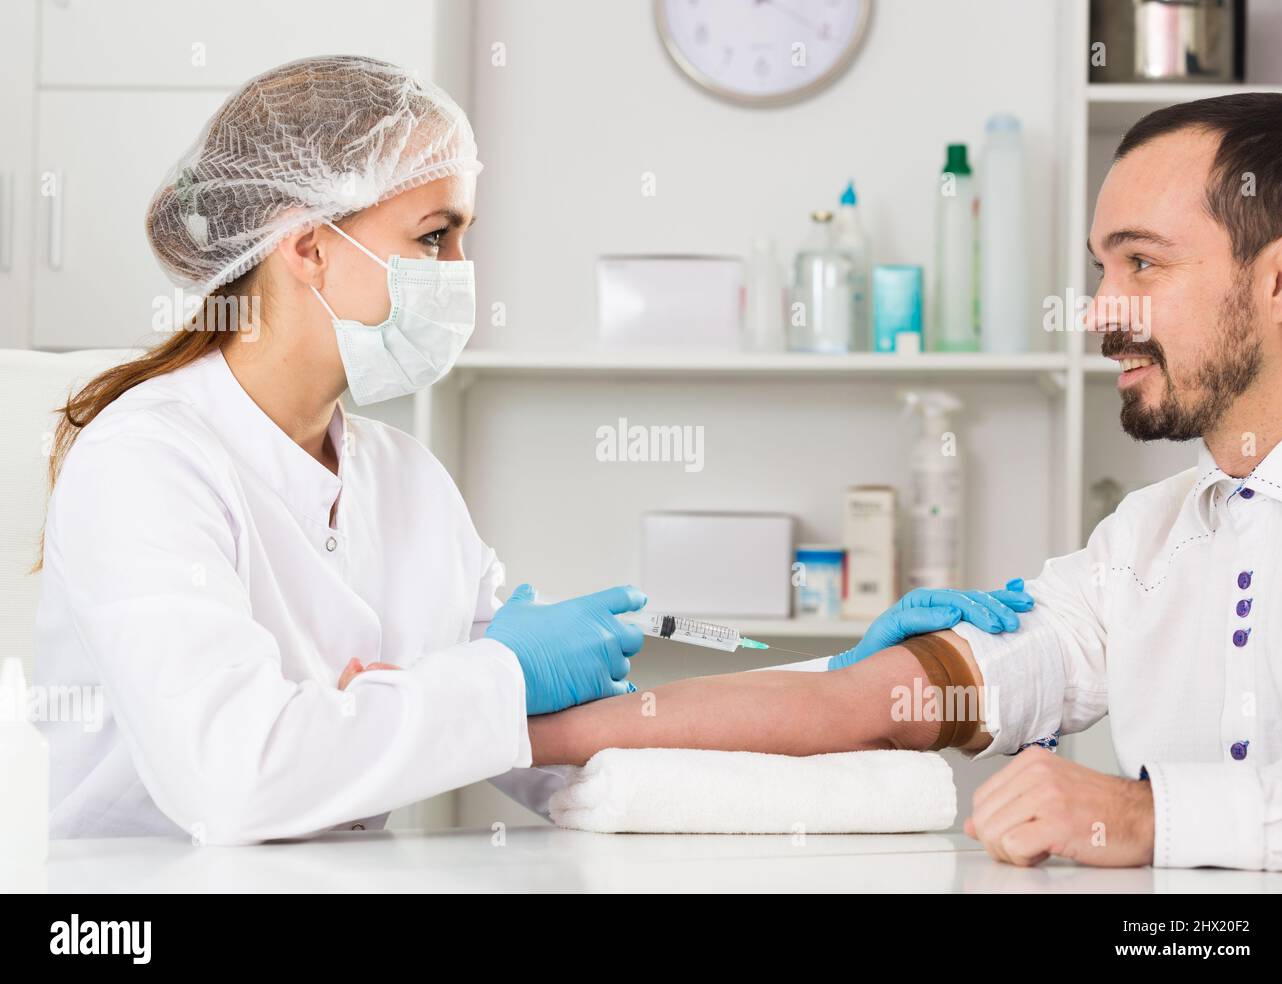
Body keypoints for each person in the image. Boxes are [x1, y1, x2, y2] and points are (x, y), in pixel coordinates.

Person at [34, 55, 1028, 845]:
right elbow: (235, 777)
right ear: (307, 247)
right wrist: (501, 680)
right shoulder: (148, 462)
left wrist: (842, 680)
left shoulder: (402, 479)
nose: (462, 272)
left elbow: (546, 745)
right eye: (435, 235)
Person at [527, 93, 1282, 874]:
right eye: (1099, 268)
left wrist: (1150, 815)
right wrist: (492, 725)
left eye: (1142, 262)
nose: (1097, 309)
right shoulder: (1142, 543)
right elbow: (864, 705)